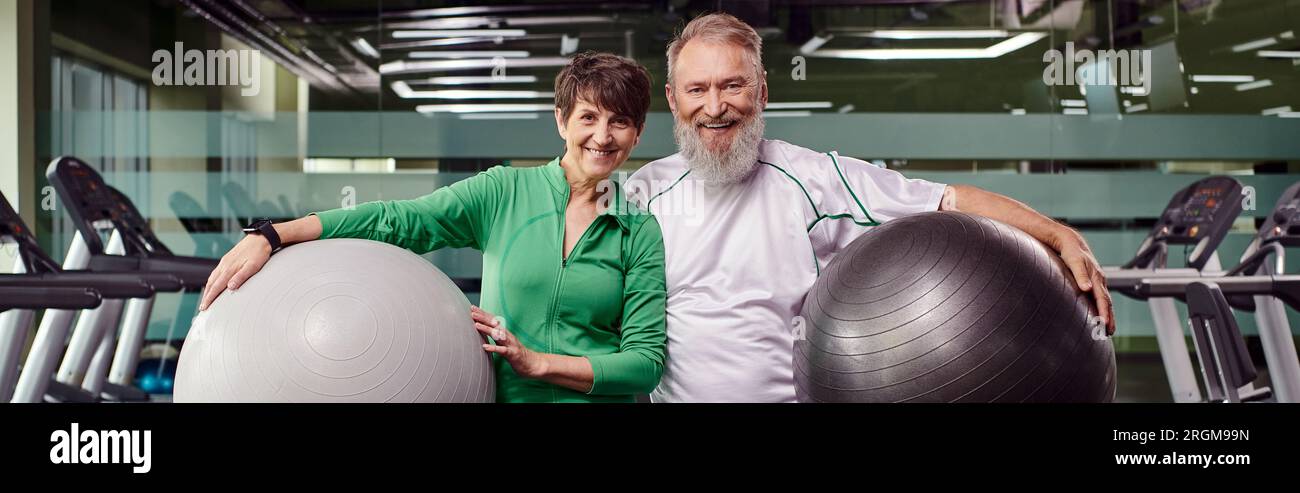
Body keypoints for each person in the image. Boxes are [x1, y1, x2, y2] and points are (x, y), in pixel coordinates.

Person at [627, 13, 1115, 403]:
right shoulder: (645, 194)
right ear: (673, 99)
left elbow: (946, 201)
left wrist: (1056, 235)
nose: (715, 107)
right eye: (698, 89)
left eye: (733, 85)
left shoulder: (815, 179)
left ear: (763, 92)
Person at [200, 52, 667, 403]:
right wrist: (274, 234)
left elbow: (644, 364)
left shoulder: (638, 230)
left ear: (637, 133)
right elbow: (398, 221)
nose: (603, 137)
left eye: (620, 122)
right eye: (588, 117)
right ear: (561, 121)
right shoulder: (504, 192)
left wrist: (538, 363)